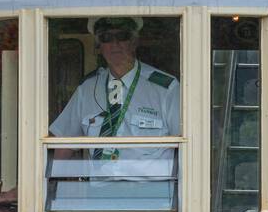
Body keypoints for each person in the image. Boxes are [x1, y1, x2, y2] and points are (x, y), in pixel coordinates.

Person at [49, 17, 180, 177]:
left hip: (151, 195)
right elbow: (64, 143)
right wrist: (44, 186)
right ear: (99, 46)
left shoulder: (165, 89)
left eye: (122, 36)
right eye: (106, 38)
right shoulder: (87, 89)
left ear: (134, 41)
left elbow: (186, 147)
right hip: (99, 194)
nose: (114, 44)